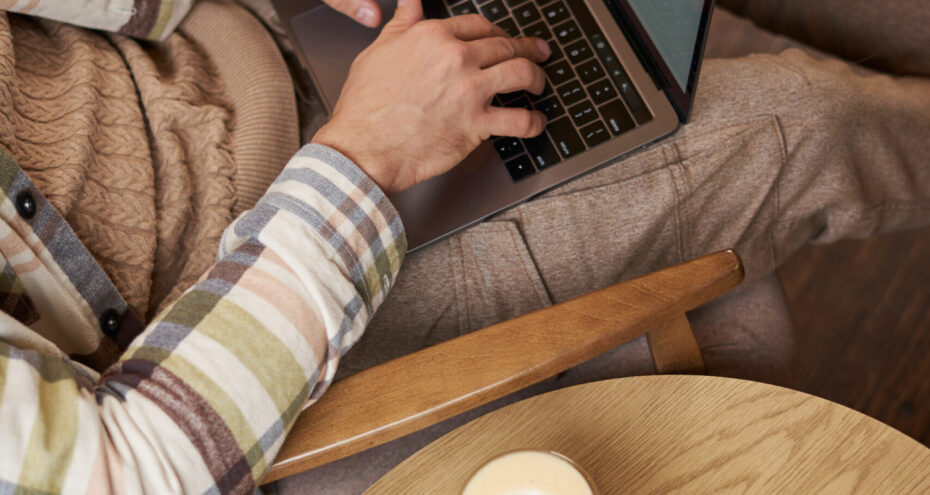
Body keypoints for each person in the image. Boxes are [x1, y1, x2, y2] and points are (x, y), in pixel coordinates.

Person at [0, 0, 926, 494]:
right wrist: (365, 154)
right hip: (269, 282)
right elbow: (123, 470)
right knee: (799, 123)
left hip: (254, 37)